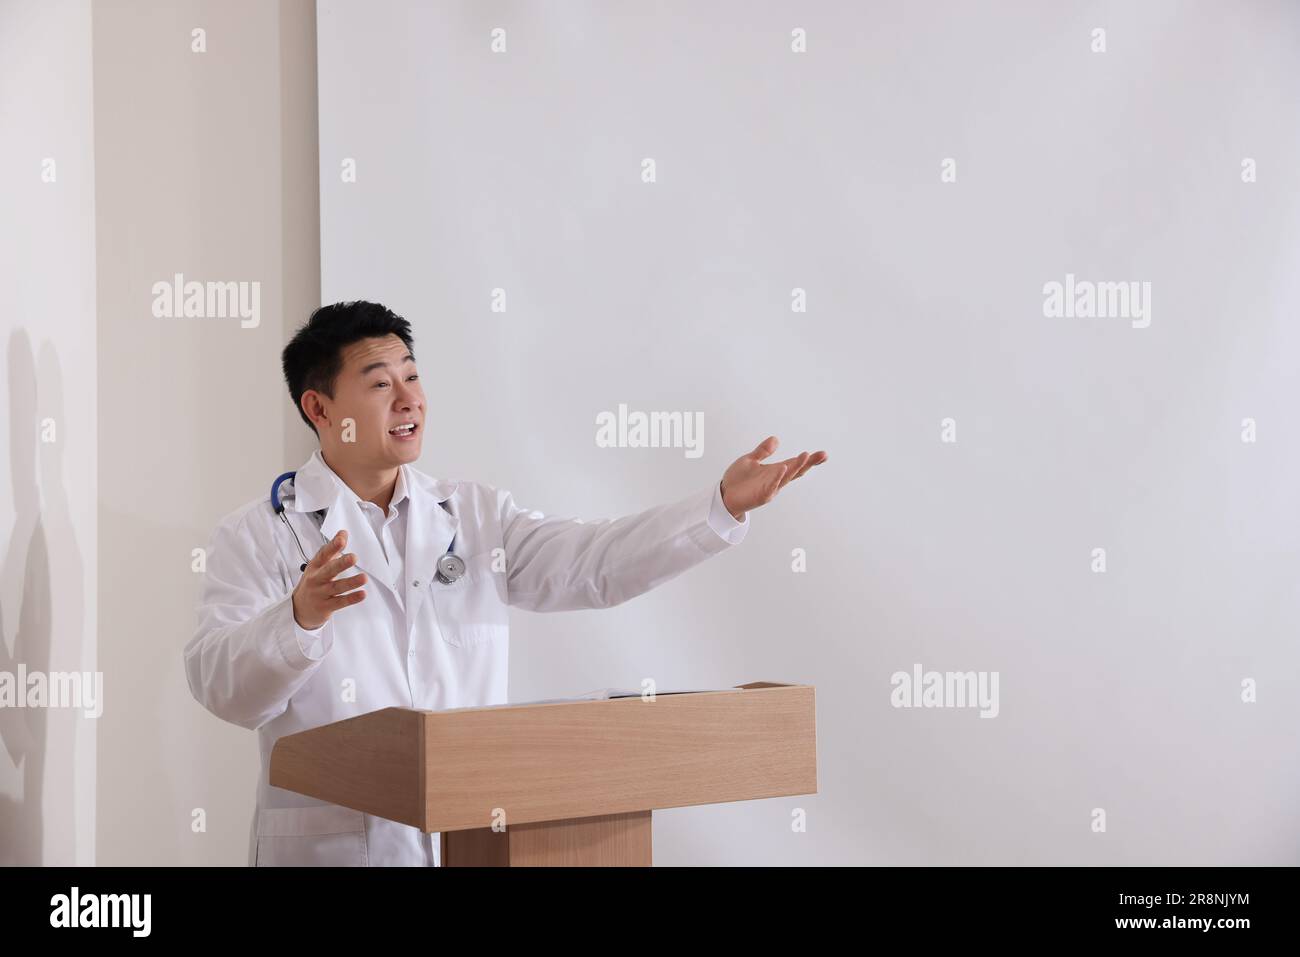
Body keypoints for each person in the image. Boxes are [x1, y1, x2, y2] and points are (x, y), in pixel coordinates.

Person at [183, 300, 827, 866]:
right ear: (319, 407)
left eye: (412, 376)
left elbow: (594, 563)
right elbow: (222, 688)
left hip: (473, 843)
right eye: (380, 384)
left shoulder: (474, 516)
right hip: (334, 850)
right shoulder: (260, 533)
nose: (409, 398)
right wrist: (299, 617)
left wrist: (719, 506)